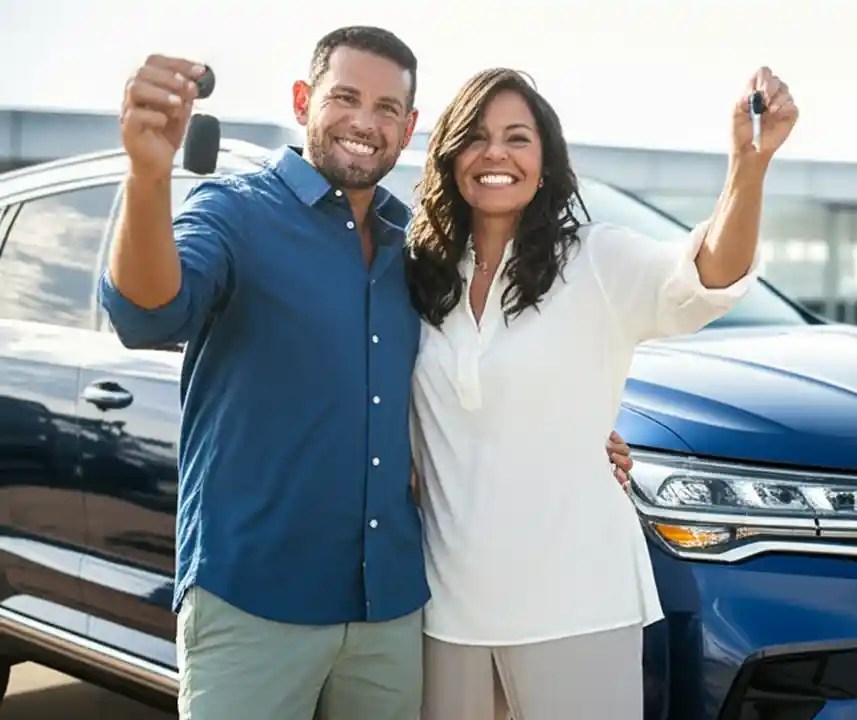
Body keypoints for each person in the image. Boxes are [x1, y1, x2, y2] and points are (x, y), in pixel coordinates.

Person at [101, 26, 633, 720]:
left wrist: (574, 430)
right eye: (345, 97)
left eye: (388, 109)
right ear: (302, 100)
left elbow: (468, 369)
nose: (365, 122)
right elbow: (147, 312)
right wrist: (147, 175)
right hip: (255, 602)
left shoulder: (411, 246)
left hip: (389, 611)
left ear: (409, 127)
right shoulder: (235, 213)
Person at [405, 66, 798, 719]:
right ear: (449, 155)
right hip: (444, 610)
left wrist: (747, 167)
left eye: (517, 138)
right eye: (475, 136)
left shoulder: (596, 261)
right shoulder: (420, 277)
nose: (495, 153)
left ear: (546, 160)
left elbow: (704, 279)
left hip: (576, 603)